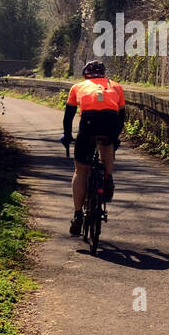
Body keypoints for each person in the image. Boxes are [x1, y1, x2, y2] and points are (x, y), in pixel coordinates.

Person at [59, 60, 126, 237]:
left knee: (80, 171)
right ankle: (108, 177)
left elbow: (68, 117)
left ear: (85, 75)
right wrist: (115, 137)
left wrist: (67, 136)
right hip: (111, 121)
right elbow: (122, 117)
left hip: (89, 122)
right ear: (103, 74)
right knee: (107, 142)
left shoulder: (77, 87)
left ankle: (78, 214)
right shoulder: (116, 87)